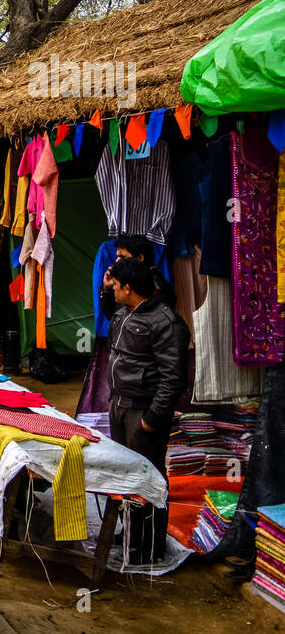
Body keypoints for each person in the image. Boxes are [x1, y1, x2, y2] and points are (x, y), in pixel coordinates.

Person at [107, 257, 189, 565]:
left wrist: (152, 419)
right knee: (125, 474)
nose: (111, 290)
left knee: (149, 475)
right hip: (119, 405)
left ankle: (151, 545)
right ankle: (130, 533)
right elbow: (109, 309)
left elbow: (172, 378)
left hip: (142, 411)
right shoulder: (124, 313)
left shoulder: (164, 322)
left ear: (128, 289)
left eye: (115, 286)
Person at [99, 234, 175, 320]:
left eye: (122, 257)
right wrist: (107, 289)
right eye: (117, 257)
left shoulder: (155, 286)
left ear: (139, 258)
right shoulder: (130, 282)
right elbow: (113, 316)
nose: (117, 261)